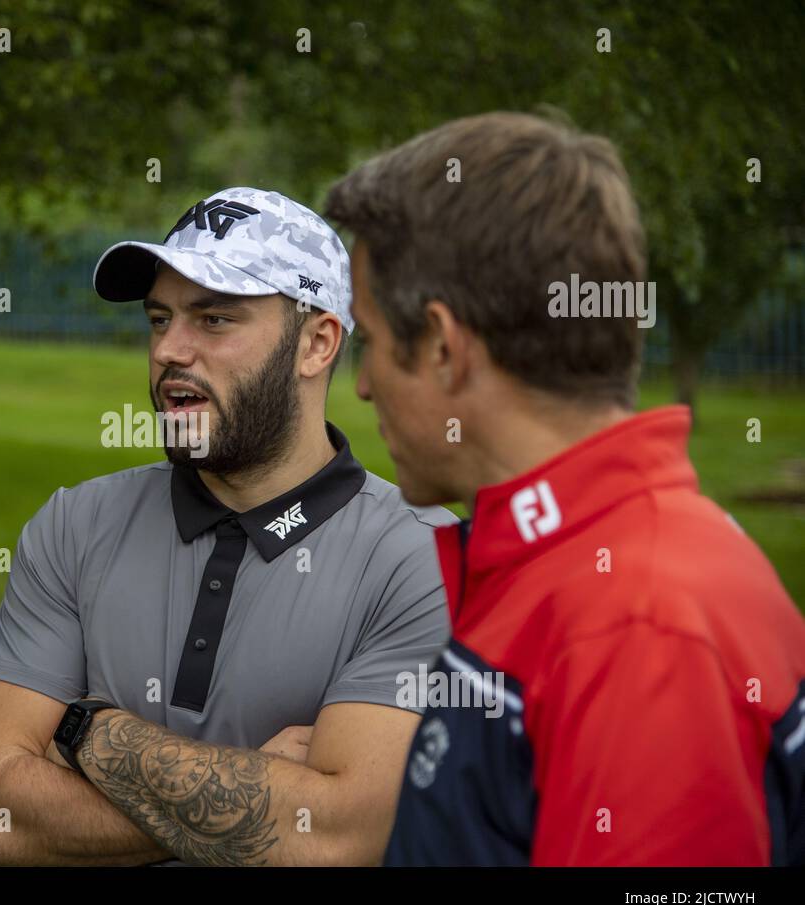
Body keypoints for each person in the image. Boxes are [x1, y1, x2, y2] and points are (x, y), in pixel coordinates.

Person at [325, 111, 805, 865]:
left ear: (446, 349)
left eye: (371, 343)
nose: (360, 387)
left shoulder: (634, 627)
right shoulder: (578, 567)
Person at [0, 186, 456, 865]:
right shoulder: (74, 524)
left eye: (213, 320)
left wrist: (86, 734)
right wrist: (255, 781)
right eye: (159, 319)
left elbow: (339, 835)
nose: (170, 350)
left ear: (315, 344)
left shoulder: (423, 557)